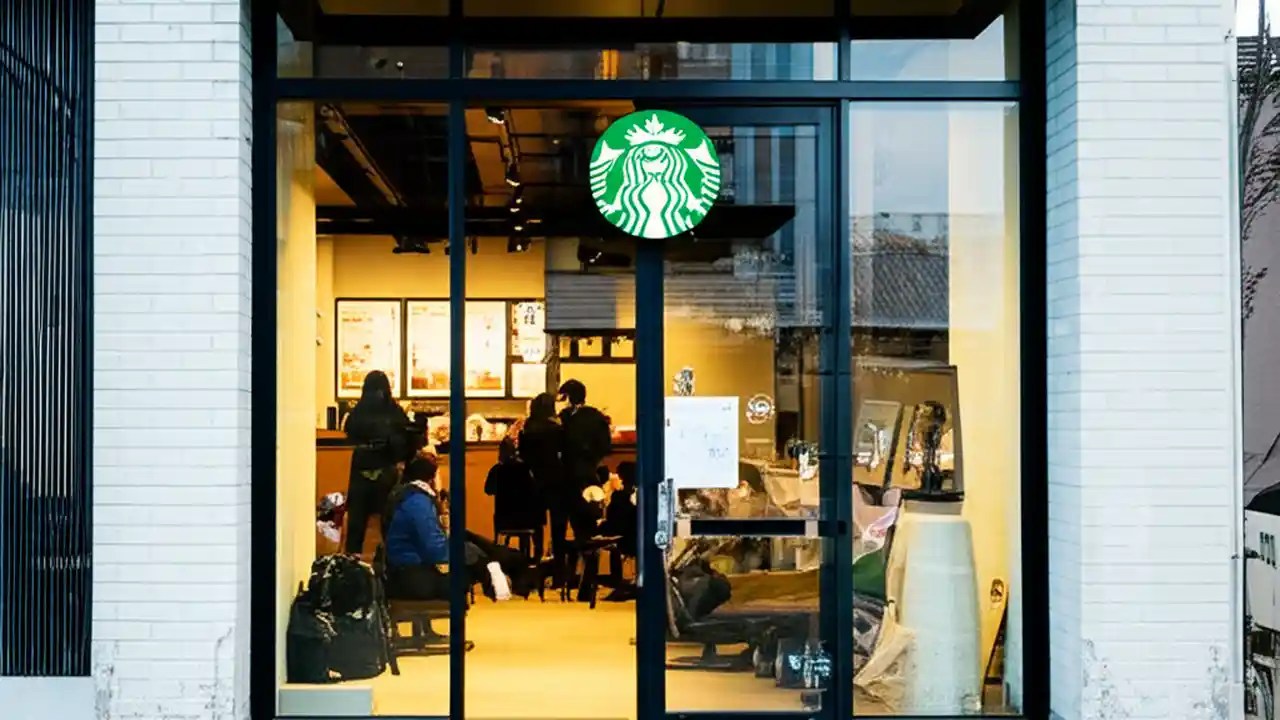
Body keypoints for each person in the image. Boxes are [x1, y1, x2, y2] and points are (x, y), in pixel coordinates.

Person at [384, 456, 535, 602]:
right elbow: (436, 549)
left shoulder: (409, 497)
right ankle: (490, 569)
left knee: (469, 549)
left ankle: (489, 568)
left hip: (407, 570)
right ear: (431, 479)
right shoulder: (418, 503)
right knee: (462, 577)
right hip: (410, 575)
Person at [343, 370, 410, 555]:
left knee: (358, 525)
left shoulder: (359, 411)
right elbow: (406, 437)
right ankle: (391, 563)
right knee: (389, 523)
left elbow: (350, 432)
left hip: (363, 470)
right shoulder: (393, 410)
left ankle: (353, 564)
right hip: (384, 470)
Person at [518, 393, 567, 580]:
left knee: (536, 525)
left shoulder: (528, 428)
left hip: (534, 480)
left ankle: (536, 561)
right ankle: (559, 568)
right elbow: (563, 451)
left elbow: (522, 454)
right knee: (558, 525)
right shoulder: (557, 429)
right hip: (555, 478)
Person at [484, 437, 545, 561]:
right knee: (538, 518)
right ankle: (538, 555)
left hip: (504, 519)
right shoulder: (525, 469)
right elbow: (535, 490)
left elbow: (488, 490)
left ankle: (499, 550)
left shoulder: (497, 470)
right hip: (525, 519)